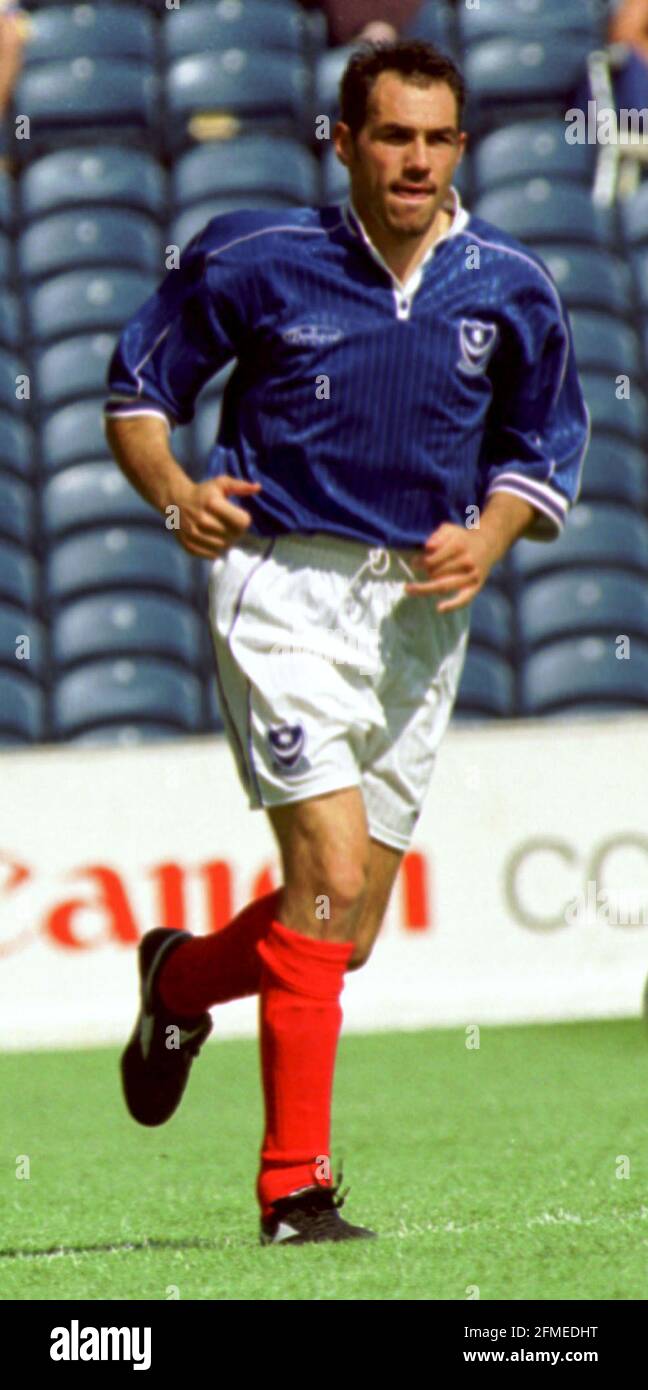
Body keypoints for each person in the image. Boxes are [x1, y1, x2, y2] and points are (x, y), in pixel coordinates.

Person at [104, 40, 590, 1246]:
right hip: (284, 590)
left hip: (421, 618)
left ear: (461, 149)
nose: (415, 158)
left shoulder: (511, 283)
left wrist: (491, 532)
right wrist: (177, 500)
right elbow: (136, 393)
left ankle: (177, 983)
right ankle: (295, 1190)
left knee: (348, 929)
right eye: (391, 135)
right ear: (345, 141)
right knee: (323, 879)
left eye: (436, 138)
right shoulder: (257, 258)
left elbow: (543, 448)